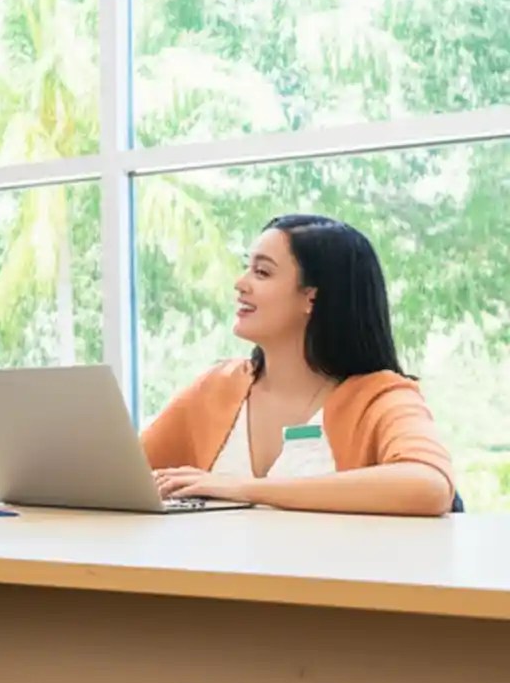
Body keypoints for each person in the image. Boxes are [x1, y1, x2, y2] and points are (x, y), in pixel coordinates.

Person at [141, 214, 455, 517]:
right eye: (246, 269)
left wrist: (247, 489)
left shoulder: (380, 396)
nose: (240, 283)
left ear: (311, 298)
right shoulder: (217, 386)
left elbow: (430, 486)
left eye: (262, 273)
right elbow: (121, 475)